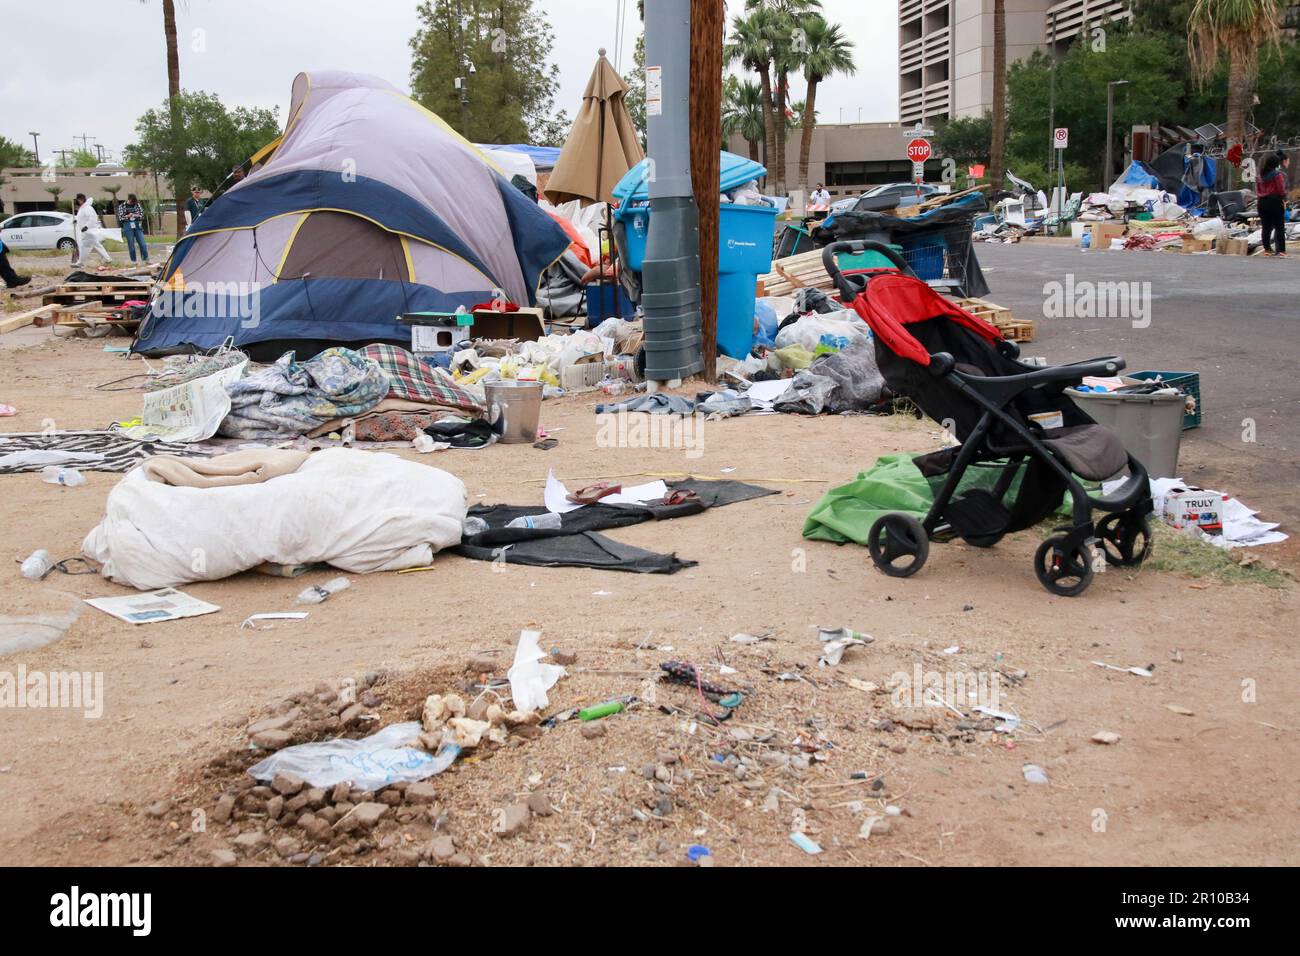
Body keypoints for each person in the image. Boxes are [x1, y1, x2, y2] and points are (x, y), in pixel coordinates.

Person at [1257, 151, 1289, 258]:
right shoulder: (1277, 175)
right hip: (1274, 201)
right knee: (1279, 226)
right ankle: (1280, 250)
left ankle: (1267, 249)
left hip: (1262, 202)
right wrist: (1284, 199)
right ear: (1276, 164)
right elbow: (1280, 189)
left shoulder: (1260, 175)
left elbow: (1258, 189)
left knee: (1266, 227)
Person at [73, 194, 113, 269]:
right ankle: (108, 259)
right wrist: (76, 220)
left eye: (78, 199)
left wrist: (86, 226)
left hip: (88, 231)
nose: (77, 201)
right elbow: (81, 217)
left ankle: (81, 263)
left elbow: (92, 218)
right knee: (97, 245)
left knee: (84, 247)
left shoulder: (87, 208)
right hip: (86, 232)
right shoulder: (83, 208)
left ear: (81, 199)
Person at [117, 193, 149, 263]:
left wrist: (134, 215)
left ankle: (145, 259)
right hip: (127, 225)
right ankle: (133, 261)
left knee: (143, 244)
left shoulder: (137, 205)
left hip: (137, 224)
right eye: (132, 202)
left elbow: (142, 216)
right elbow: (120, 217)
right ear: (129, 199)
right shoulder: (122, 206)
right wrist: (127, 216)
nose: (133, 203)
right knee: (131, 244)